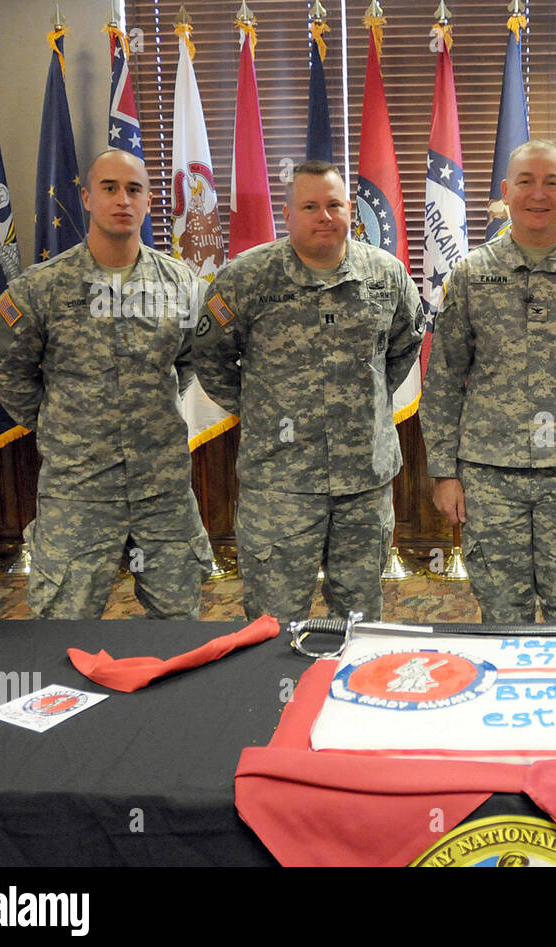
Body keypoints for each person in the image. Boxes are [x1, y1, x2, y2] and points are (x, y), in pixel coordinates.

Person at [192, 159, 424, 625]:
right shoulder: (247, 278)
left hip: (364, 483)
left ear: (349, 210)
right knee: (272, 624)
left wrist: (367, 403)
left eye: (334, 205)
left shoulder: (387, 276)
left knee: (360, 619)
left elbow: (405, 346)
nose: (325, 216)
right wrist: (260, 409)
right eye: (311, 206)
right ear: (288, 213)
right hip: (280, 486)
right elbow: (210, 357)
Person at [0, 149, 212, 619]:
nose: (122, 199)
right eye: (109, 188)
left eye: (134, 189)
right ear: (87, 198)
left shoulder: (182, 285)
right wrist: (54, 421)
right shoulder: (42, 288)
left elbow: (190, 362)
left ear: (150, 201)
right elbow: (7, 366)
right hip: (79, 490)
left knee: (180, 628)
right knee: (62, 632)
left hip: (161, 489)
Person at [419, 139, 556, 623]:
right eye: (525, 182)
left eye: (551, 182)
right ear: (505, 191)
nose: (538, 194)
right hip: (489, 476)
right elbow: (442, 380)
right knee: (502, 619)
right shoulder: (472, 274)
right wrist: (443, 472)